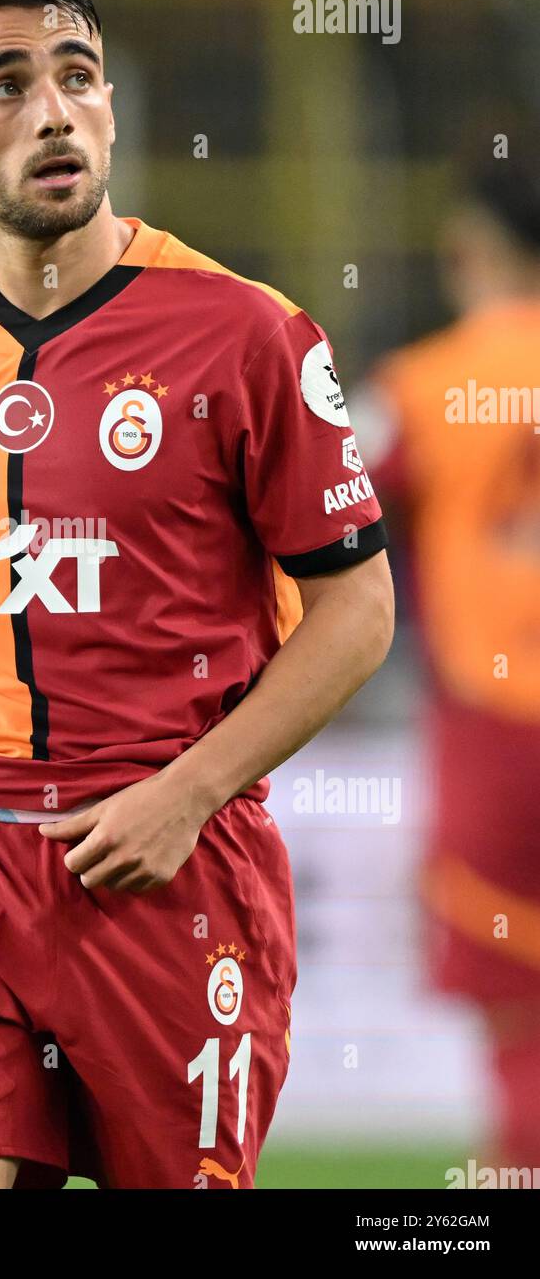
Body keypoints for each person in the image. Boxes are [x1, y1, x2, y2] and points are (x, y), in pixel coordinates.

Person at [0, 0, 394, 1190]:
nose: (53, 112)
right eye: (3, 87)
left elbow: (357, 609)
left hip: (162, 866)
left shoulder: (246, 333)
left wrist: (189, 793)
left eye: (75, 78)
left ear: (110, 104)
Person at [359, 150, 540, 1175]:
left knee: (523, 1034)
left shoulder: (422, 388)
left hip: (496, 739)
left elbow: (310, 518)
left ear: (468, 252)